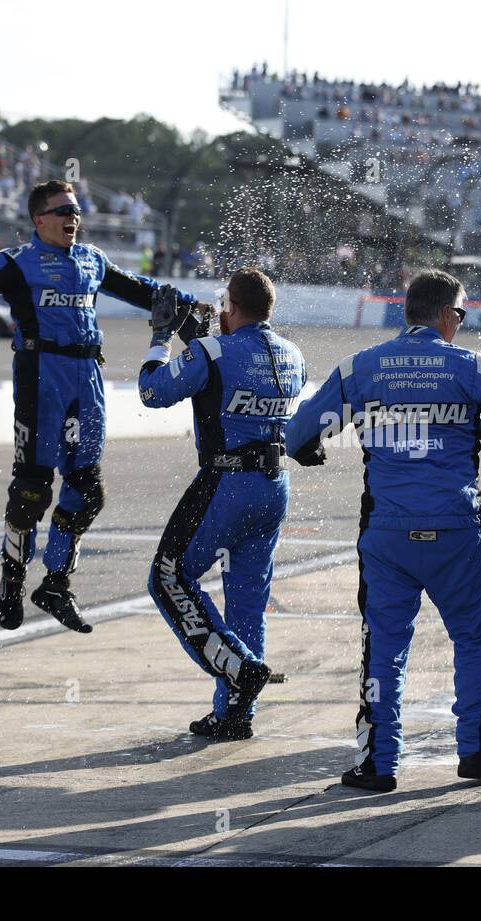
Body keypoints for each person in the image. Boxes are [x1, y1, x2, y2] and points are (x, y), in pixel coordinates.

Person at [0, 180, 203, 633]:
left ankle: (55, 584)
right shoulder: (17, 263)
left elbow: (145, 291)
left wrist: (192, 305)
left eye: (75, 211)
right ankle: (12, 583)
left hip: (88, 379)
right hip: (40, 377)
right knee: (32, 492)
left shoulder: (93, 259)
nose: (72, 218)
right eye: (61, 212)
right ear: (38, 220)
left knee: (88, 492)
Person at [286, 269, 481, 791]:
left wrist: (318, 446)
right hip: (456, 529)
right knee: (474, 639)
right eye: (462, 315)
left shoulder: (363, 365)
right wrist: (478, 423)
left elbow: (297, 436)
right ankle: (477, 755)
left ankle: (378, 764)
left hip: (387, 534)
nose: (462, 324)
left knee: (383, 645)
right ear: (447, 315)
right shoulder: (473, 365)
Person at [139, 269, 302, 739]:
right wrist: (199, 340)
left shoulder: (213, 351)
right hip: (274, 488)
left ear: (230, 307)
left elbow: (153, 392)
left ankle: (238, 668)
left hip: (225, 483)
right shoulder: (293, 354)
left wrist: (160, 338)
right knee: (248, 603)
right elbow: (231, 375)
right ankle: (235, 714)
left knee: (168, 577)